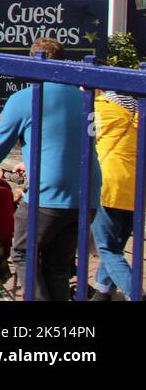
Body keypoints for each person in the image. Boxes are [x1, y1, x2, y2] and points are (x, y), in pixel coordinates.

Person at [0, 37, 99, 301]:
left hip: (48, 195)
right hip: (86, 194)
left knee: (23, 253)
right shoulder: (84, 99)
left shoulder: (25, 98)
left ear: (32, 61)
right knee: (57, 265)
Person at [91, 85, 139, 300]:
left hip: (108, 182)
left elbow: (86, 141)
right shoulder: (140, 110)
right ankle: (102, 292)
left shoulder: (99, 109)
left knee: (107, 247)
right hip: (135, 186)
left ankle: (135, 293)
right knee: (117, 243)